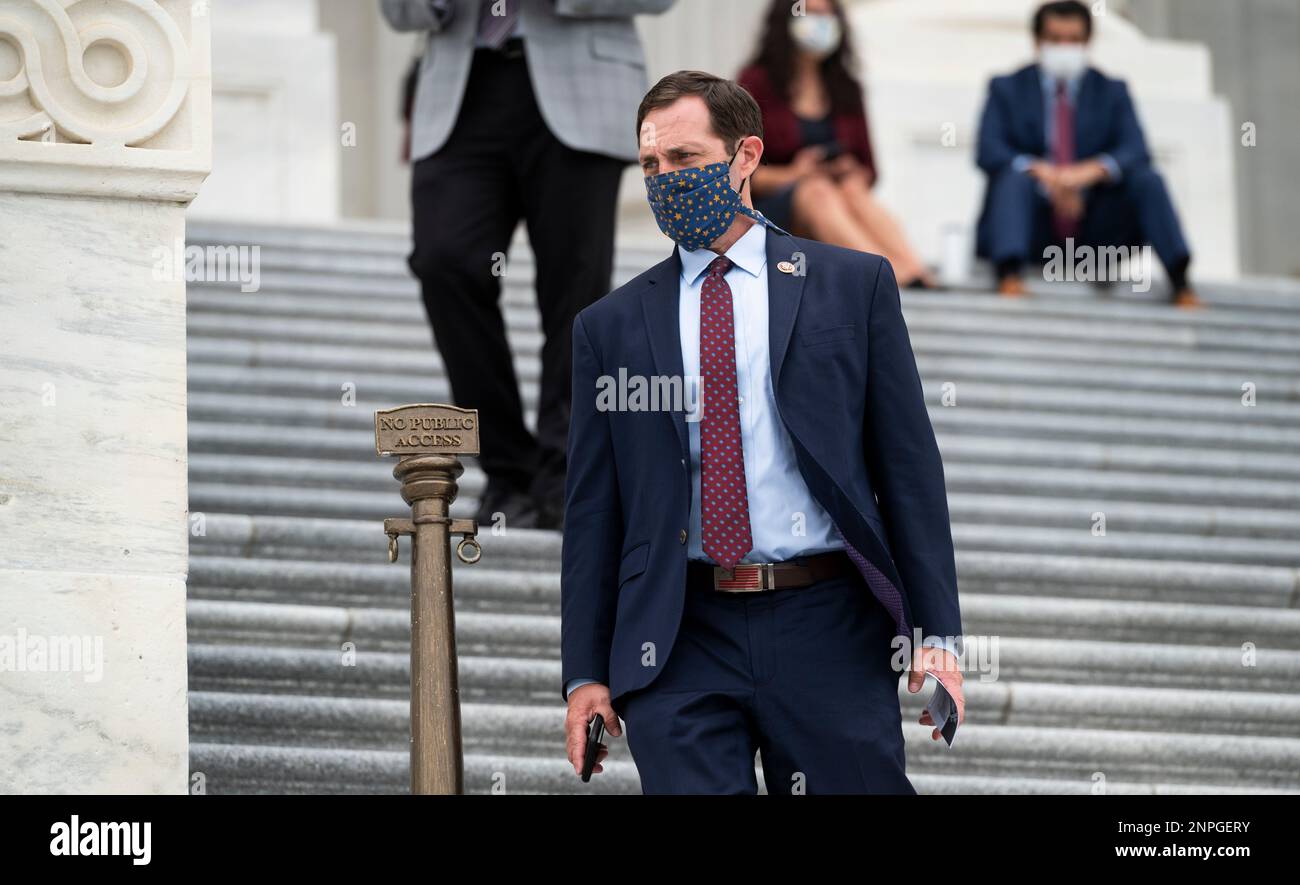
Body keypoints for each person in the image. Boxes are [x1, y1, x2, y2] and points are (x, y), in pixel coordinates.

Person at [560, 70, 965, 793]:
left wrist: (937, 636)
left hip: (827, 621)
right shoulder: (608, 328)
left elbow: (908, 469)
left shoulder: (853, 285)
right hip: (679, 633)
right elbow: (594, 510)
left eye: (683, 159)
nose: (664, 180)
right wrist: (585, 673)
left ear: (746, 156)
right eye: (650, 165)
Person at [379, 0, 676, 531]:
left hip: (582, 92)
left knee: (576, 287)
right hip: (462, 91)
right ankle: (506, 465)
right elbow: (398, 11)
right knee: (445, 260)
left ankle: (564, 470)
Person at [975, 0, 1200, 307]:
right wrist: (1046, 175)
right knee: (1013, 178)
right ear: (1038, 41)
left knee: (1147, 180)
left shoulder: (1112, 90)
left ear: (1088, 42)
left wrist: (1088, 174)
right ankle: (1009, 277)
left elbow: (1136, 149)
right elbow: (989, 150)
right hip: (1033, 225)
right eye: (1056, 39)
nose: (1065, 47)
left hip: (1095, 230)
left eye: (1074, 40)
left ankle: (1181, 282)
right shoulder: (1007, 88)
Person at [737, 0, 937, 289]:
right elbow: (739, 172)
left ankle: (913, 268)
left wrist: (848, 170)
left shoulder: (845, 86)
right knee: (816, 190)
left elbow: (869, 169)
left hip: (837, 200)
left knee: (851, 187)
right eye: (811, 14)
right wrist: (797, 173)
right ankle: (883, 272)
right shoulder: (756, 83)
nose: (821, 22)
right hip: (771, 210)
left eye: (827, 15)